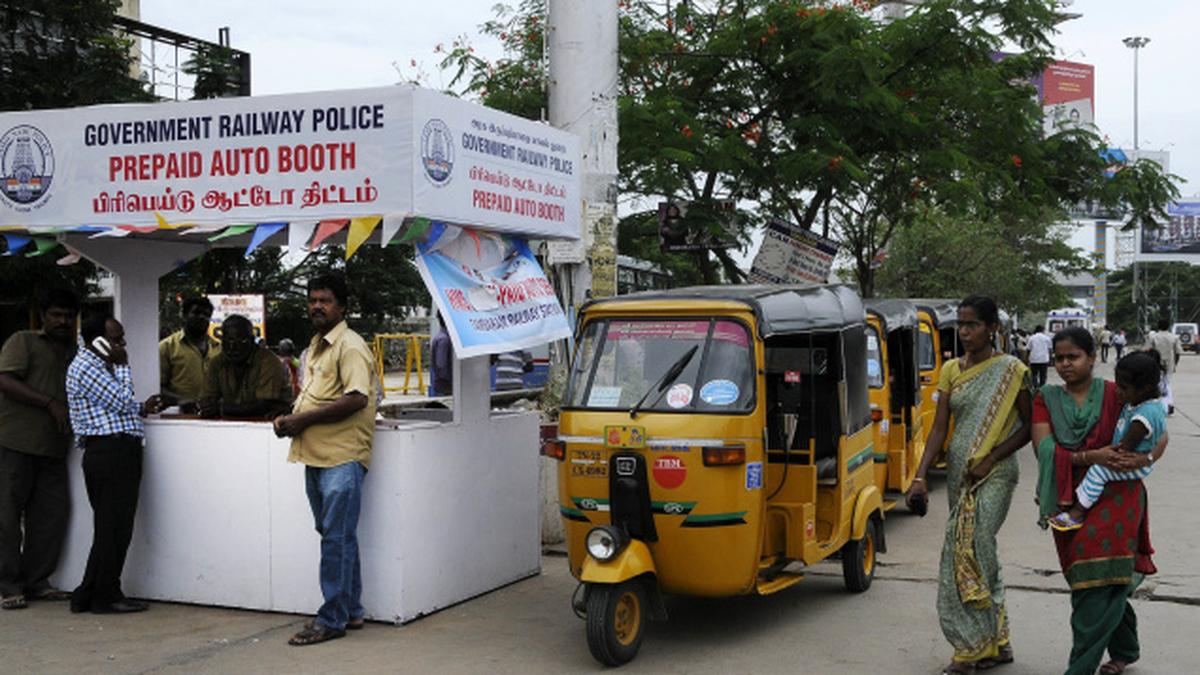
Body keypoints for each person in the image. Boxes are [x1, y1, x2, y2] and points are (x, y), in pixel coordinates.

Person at [906, 295, 1031, 674]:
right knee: (979, 550)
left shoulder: (1012, 370)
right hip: (962, 472)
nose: (964, 331)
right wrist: (920, 474)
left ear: (992, 328)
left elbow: (1028, 428)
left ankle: (971, 648)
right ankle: (998, 639)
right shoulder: (950, 370)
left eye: (972, 324)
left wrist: (990, 458)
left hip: (997, 471)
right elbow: (940, 426)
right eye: (961, 324)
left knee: (972, 545)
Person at [1030, 327, 1157, 675]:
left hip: (1119, 498)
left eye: (1073, 357)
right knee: (1096, 581)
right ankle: (1125, 648)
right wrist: (1092, 457)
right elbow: (1043, 446)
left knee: (1096, 585)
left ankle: (1079, 668)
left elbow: (1157, 431)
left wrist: (1145, 460)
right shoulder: (1046, 398)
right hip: (1069, 498)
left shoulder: (1119, 394)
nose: (1065, 364)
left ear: (1091, 357)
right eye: (1059, 358)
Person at [274, 274, 376, 646]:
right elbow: (315, 396)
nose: (317, 306)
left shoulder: (349, 345)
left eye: (326, 300)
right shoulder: (317, 345)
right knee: (337, 537)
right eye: (313, 299)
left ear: (343, 307)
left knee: (336, 539)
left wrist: (301, 420)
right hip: (317, 456)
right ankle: (350, 610)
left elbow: (356, 399)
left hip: (342, 456)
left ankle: (331, 618)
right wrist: (290, 417)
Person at [66, 313, 161, 614]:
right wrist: (122, 365)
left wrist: (141, 408)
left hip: (112, 450)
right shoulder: (87, 366)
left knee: (111, 527)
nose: (123, 344)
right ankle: (105, 595)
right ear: (97, 341)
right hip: (110, 452)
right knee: (114, 528)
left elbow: (114, 405)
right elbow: (120, 400)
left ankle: (89, 592)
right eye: (116, 339)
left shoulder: (93, 364)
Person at [0, 290, 79, 610]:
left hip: (54, 447)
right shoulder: (24, 341)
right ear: (44, 315)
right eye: (57, 315)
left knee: (51, 517)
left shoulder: (75, 350)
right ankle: (8, 585)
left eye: (68, 316)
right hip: (14, 441)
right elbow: (4, 380)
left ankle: (37, 581)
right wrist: (49, 403)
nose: (63, 321)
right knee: (6, 517)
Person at [1047, 351, 1166, 531]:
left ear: (1144, 389)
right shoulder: (1139, 403)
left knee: (1098, 471)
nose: (1118, 391)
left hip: (1132, 464)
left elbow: (1125, 448)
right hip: (1139, 461)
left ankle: (1078, 512)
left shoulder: (1143, 417)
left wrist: (1101, 456)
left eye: (1123, 387)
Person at [198, 315, 294, 420]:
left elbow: (265, 405)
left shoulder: (268, 361)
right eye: (227, 341)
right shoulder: (217, 363)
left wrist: (222, 409)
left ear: (252, 340)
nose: (232, 347)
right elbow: (207, 400)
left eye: (239, 341)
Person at [158, 296, 219, 412]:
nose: (202, 317)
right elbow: (156, 386)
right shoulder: (166, 347)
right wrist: (181, 400)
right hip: (179, 415)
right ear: (184, 316)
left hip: (213, 416)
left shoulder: (219, 348)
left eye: (206, 315)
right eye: (196, 313)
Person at [1145, 319, 1182, 414]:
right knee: (1167, 383)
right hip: (1169, 362)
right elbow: (1178, 352)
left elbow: (1148, 350)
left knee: (1157, 383)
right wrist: (1175, 364)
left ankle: (1161, 405)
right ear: (1168, 326)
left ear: (1158, 326)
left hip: (1156, 362)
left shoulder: (1154, 337)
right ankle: (1169, 403)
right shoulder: (1174, 337)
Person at [430, 314, 454, 396]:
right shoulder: (444, 339)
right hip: (446, 384)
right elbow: (441, 364)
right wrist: (449, 380)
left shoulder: (440, 337)